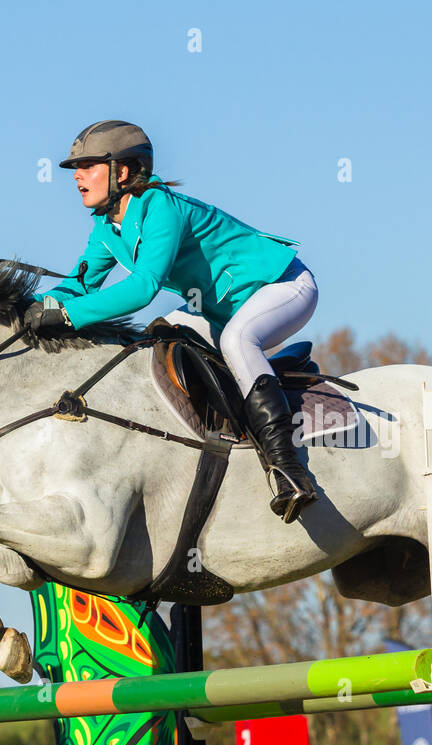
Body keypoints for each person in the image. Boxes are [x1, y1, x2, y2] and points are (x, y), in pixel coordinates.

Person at [24, 121, 319, 522]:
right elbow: (80, 284)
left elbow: (144, 286)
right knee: (159, 339)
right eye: (76, 167)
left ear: (122, 171)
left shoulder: (161, 208)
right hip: (220, 306)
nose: (76, 175)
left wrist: (69, 316)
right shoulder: (105, 226)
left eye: (88, 165)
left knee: (237, 341)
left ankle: (288, 469)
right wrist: (32, 307)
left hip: (282, 286)